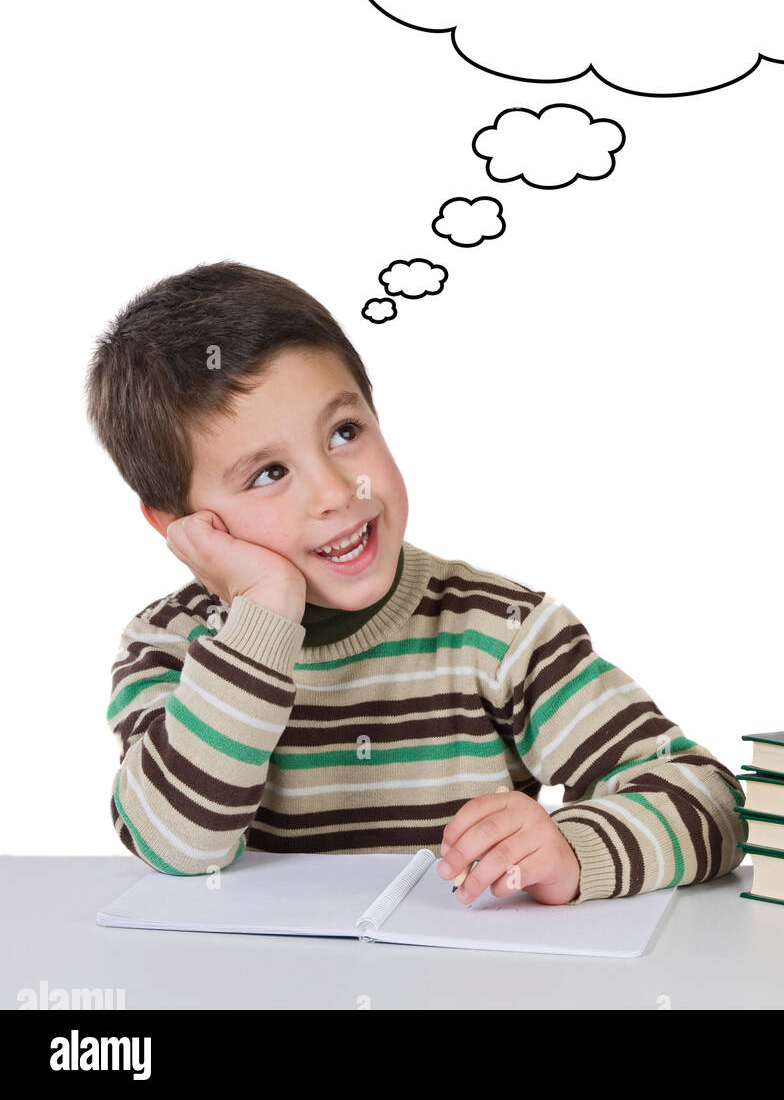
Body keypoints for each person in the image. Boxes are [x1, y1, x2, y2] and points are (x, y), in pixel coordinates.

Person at [87, 261, 747, 905]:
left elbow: (711, 802)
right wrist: (262, 612)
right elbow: (176, 845)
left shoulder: (500, 630)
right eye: (268, 474)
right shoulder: (170, 646)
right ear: (180, 526)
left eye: (344, 432)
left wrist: (574, 849)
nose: (335, 492)